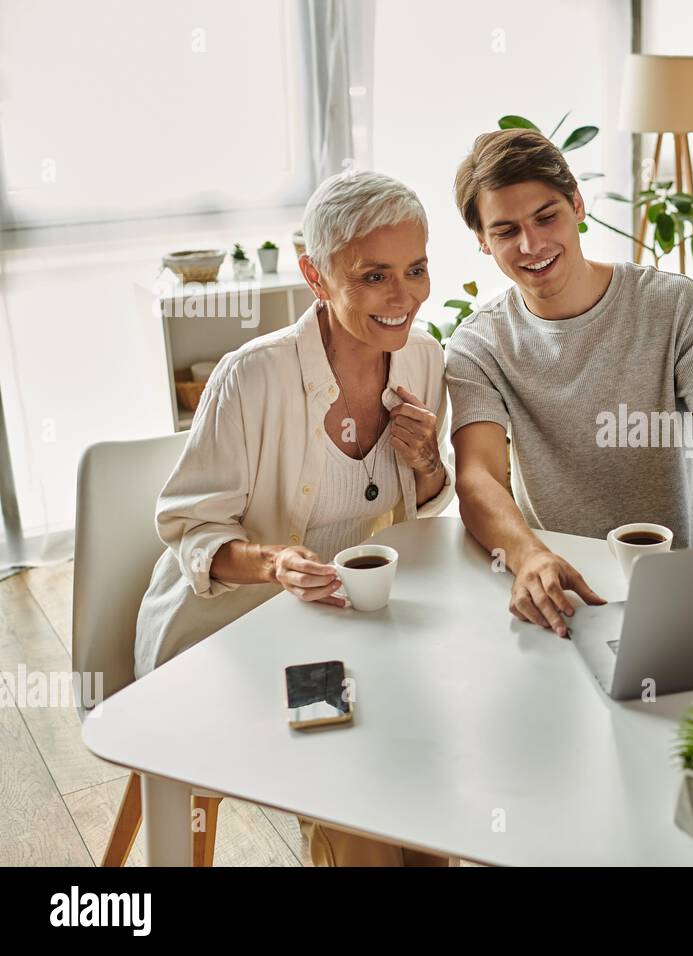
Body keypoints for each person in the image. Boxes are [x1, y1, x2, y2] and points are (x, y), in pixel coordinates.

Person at [135, 170, 456, 865]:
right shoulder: (252, 377)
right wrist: (275, 562)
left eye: (417, 269)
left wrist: (429, 462)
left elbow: (429, 508)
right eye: (375, 276)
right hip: (239, 633)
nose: (404, 297)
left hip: (352, 626)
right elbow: (195, 531)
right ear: (316, 275)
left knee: (441, 751)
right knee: (352, 765)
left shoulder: (425, 358)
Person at [445, 128, 693, 637]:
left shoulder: (673, 304)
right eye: (506, 231)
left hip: (687, 572)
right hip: (566, 586)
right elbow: (479, 478)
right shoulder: (477, 346)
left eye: (546, 217)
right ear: (481, 240)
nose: (532, 244)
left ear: (577, 204)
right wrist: (527, 554)